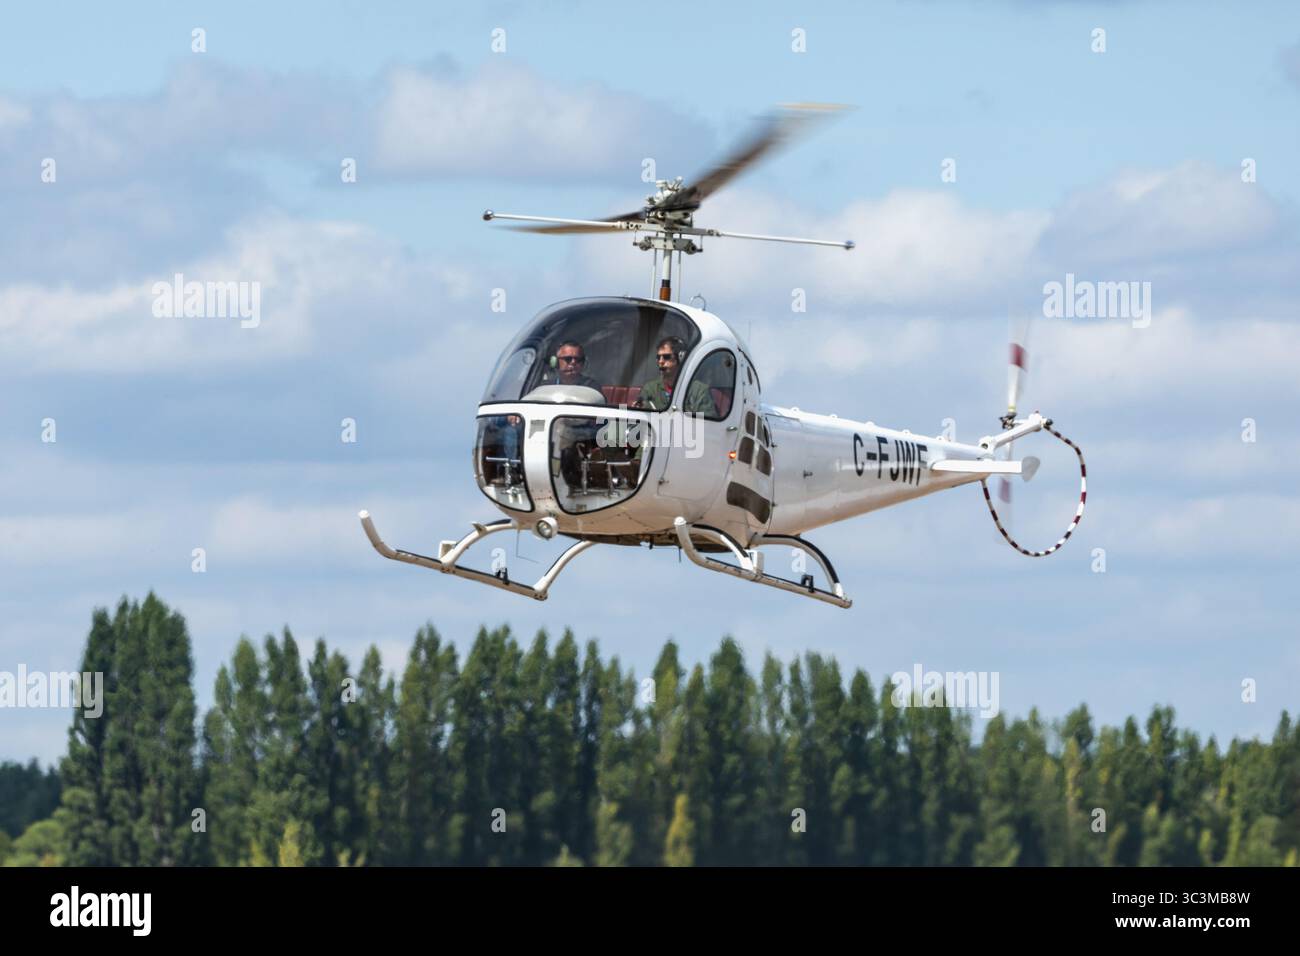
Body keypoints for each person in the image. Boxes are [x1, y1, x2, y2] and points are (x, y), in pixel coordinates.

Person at [636, 336, 716, 416]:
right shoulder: (649, 389)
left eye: (666, 357)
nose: (661, 361)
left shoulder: (699, 391)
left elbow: (707, 424)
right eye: (658, 357)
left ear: (681, 358)